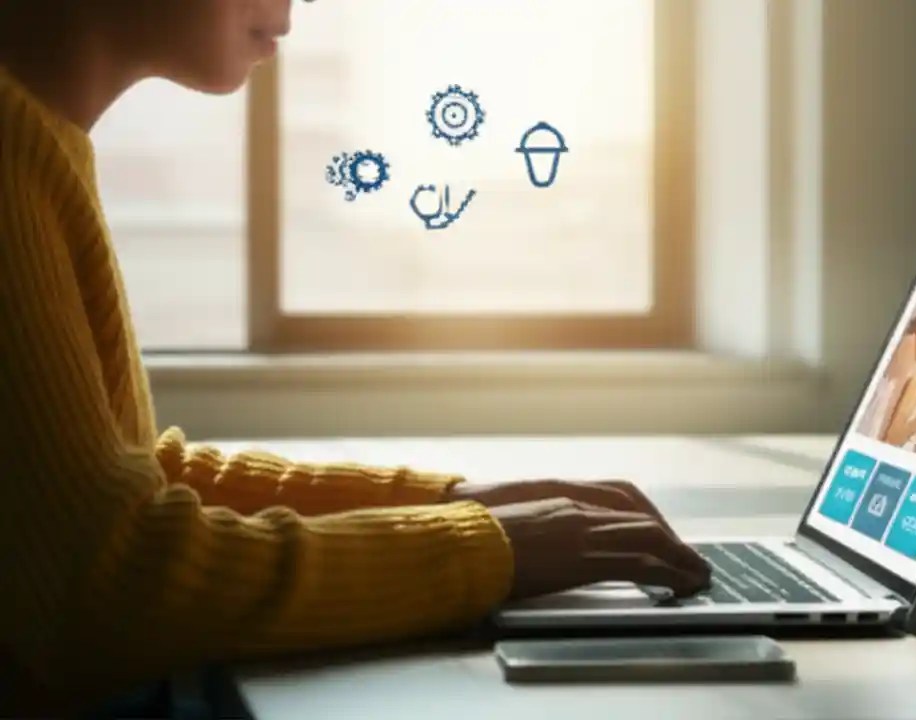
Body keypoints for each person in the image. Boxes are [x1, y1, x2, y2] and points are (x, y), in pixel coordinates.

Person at [0, 1, 710, 715]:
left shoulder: (37, 137)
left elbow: (131, 484)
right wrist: (487, 550)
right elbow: (105, 583)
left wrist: (452, 503)